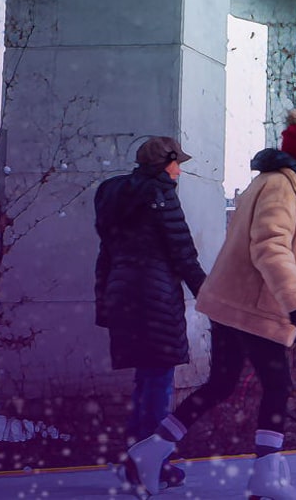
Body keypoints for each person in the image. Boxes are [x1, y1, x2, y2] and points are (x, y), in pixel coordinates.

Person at [126, 111, 296, 499]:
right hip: (255, 307)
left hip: (233, 303)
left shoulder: (266, 183)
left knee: (221, 383)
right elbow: (270, 245)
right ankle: (266, 477)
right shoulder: (282, 189)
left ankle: (152, 450)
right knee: (277, 384)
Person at [95, 136, 205, 490]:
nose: (179, 171)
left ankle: (135, 461)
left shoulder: (116, 198)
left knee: (146, 381)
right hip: (154, 296)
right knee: (158, 382)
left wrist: (105, 303)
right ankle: (153, 465)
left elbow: (105, 257)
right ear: (164, 164)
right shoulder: (161, 195)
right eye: (177, 164)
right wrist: (209, 297)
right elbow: (183, 253)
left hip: (123, 293)